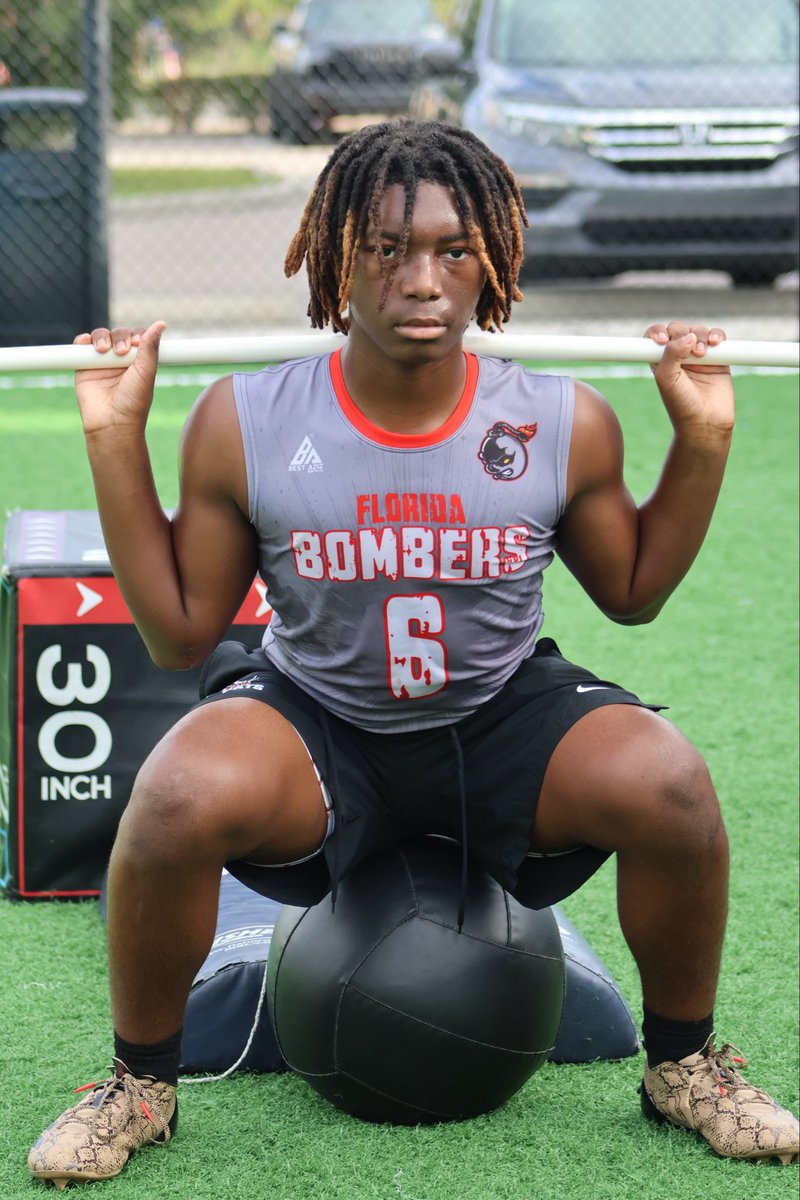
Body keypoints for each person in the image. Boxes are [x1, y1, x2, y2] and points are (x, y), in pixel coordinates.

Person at [28, 119, 798, 1188]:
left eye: (452, 249)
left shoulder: (558, 417)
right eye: (385, 250)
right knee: (174, 798)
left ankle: (684, 1065)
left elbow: (631, 593)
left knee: (668, 785)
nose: (422, 280)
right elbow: (179, 633)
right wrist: (115, 438)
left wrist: (701, 441)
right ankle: (139, 1084)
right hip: (319, 715)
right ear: (335, 263)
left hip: (495, 711)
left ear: (492, 263)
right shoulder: (245, 418)